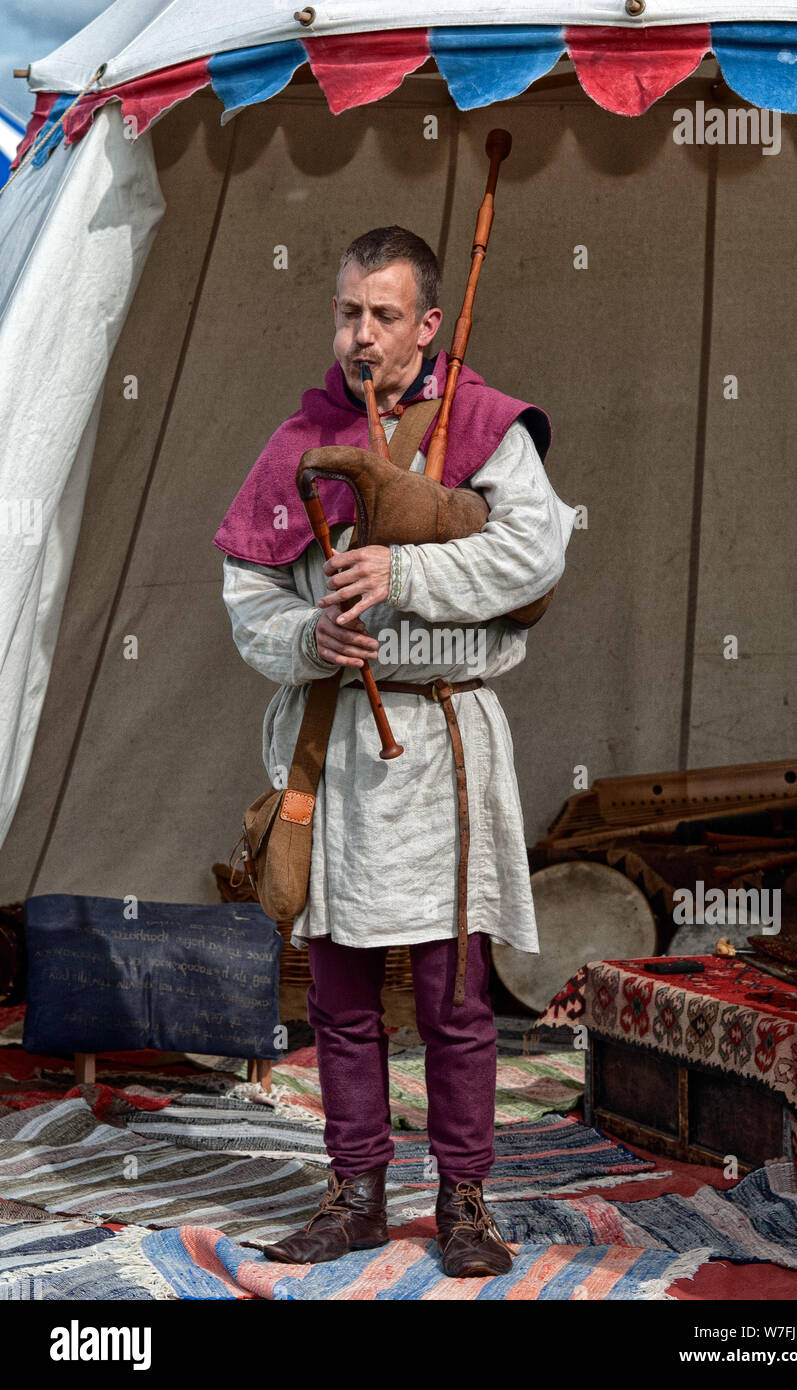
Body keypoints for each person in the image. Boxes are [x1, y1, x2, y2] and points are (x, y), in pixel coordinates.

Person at [214, 226, 576, 1277]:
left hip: (442, 740)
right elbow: (246, 595)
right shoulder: (303, 434)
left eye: (382, 316)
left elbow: (533, 550)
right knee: (336, 991)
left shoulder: (483, 426)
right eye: (346, 313)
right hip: (334, 743)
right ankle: (357, 1194)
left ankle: (463, 1201)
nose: (360, 335)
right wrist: (305, 636)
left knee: (455, 996)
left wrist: (405, 574)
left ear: (428, 323)